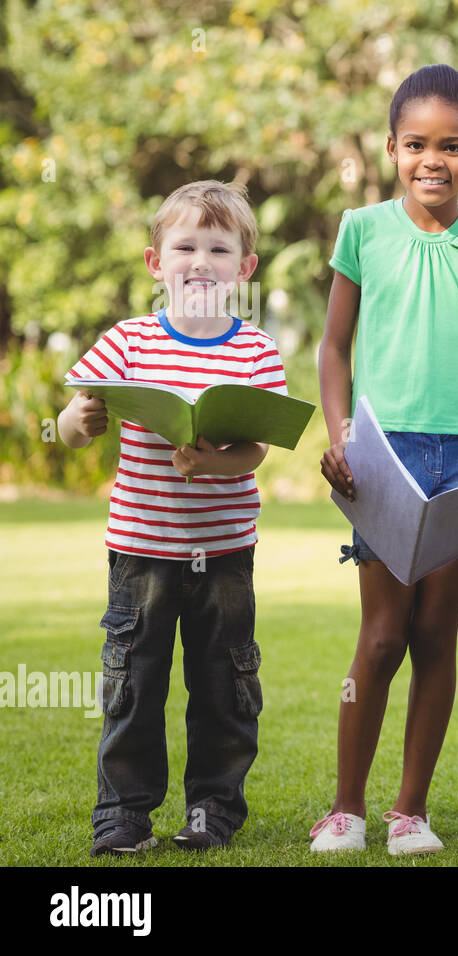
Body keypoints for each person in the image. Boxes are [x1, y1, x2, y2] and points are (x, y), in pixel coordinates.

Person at [312, 64, 458, 855]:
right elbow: (334, 349)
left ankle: (410, 811)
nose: (431, 160)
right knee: (382, 635)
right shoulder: (362, 230)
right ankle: (345, 809)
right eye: (415, 144)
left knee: (438, 631)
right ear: (392, 147)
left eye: (451, 146)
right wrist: (343, 439)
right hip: (385, 454)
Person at [58, 180, 286, 855]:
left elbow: (255, 450)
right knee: (134, 681)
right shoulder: (128, 342)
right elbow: (75, 425)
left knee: (223, 683)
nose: (200, 260)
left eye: (219, 249)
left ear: (244, 267)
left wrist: (211, 464)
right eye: (184, 246)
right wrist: (76, 419)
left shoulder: (255, 351)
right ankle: (124, 814)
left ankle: (212, 809)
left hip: (224, 554)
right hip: (141, 550)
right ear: (156, 261)